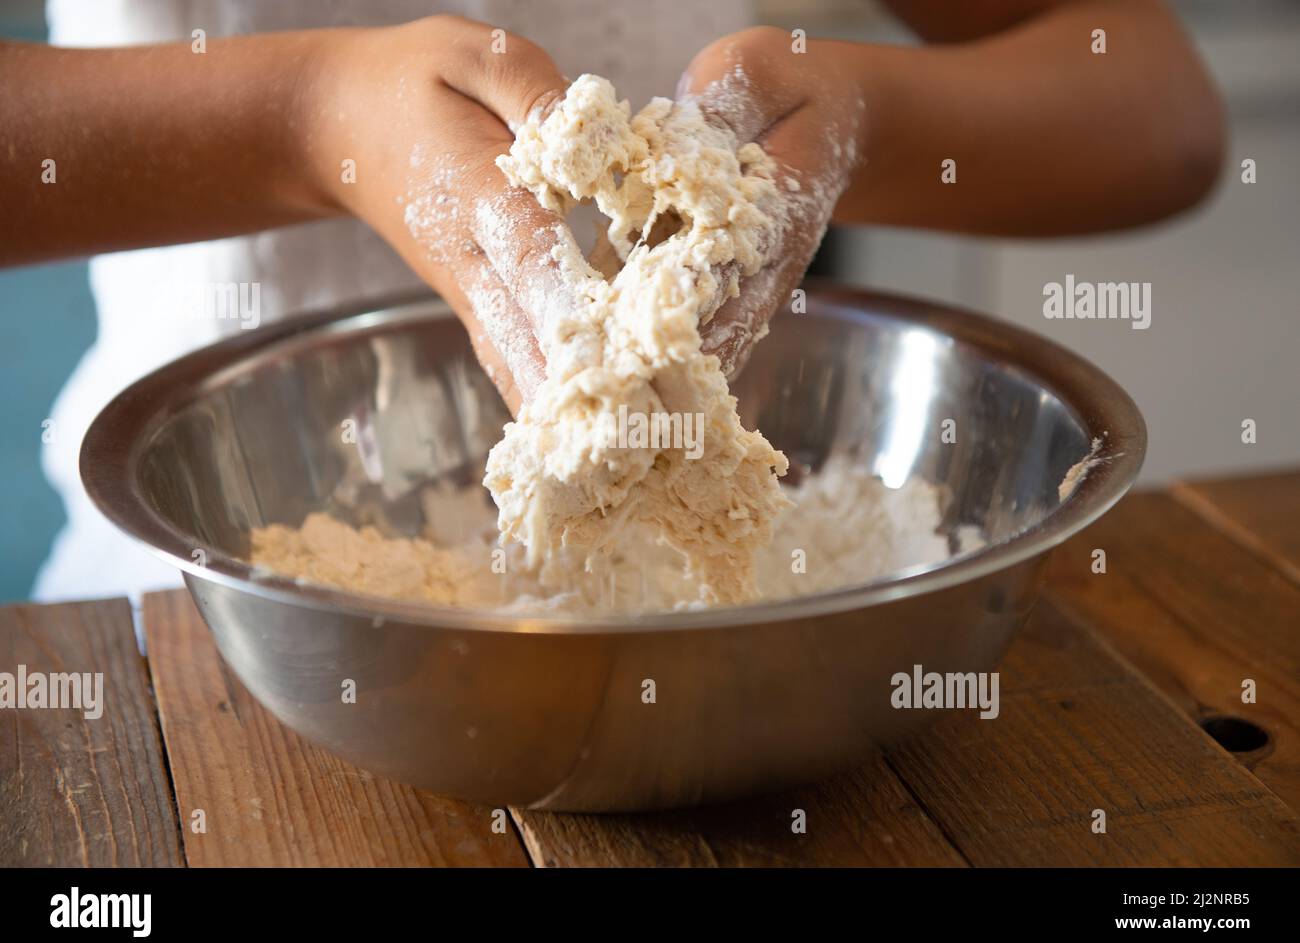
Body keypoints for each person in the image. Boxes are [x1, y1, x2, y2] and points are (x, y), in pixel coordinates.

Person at [0, 1, 1223, 601]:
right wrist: (303, 118)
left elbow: (1159, 109)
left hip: (729, 617)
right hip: (194, 608)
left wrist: (868, 116)